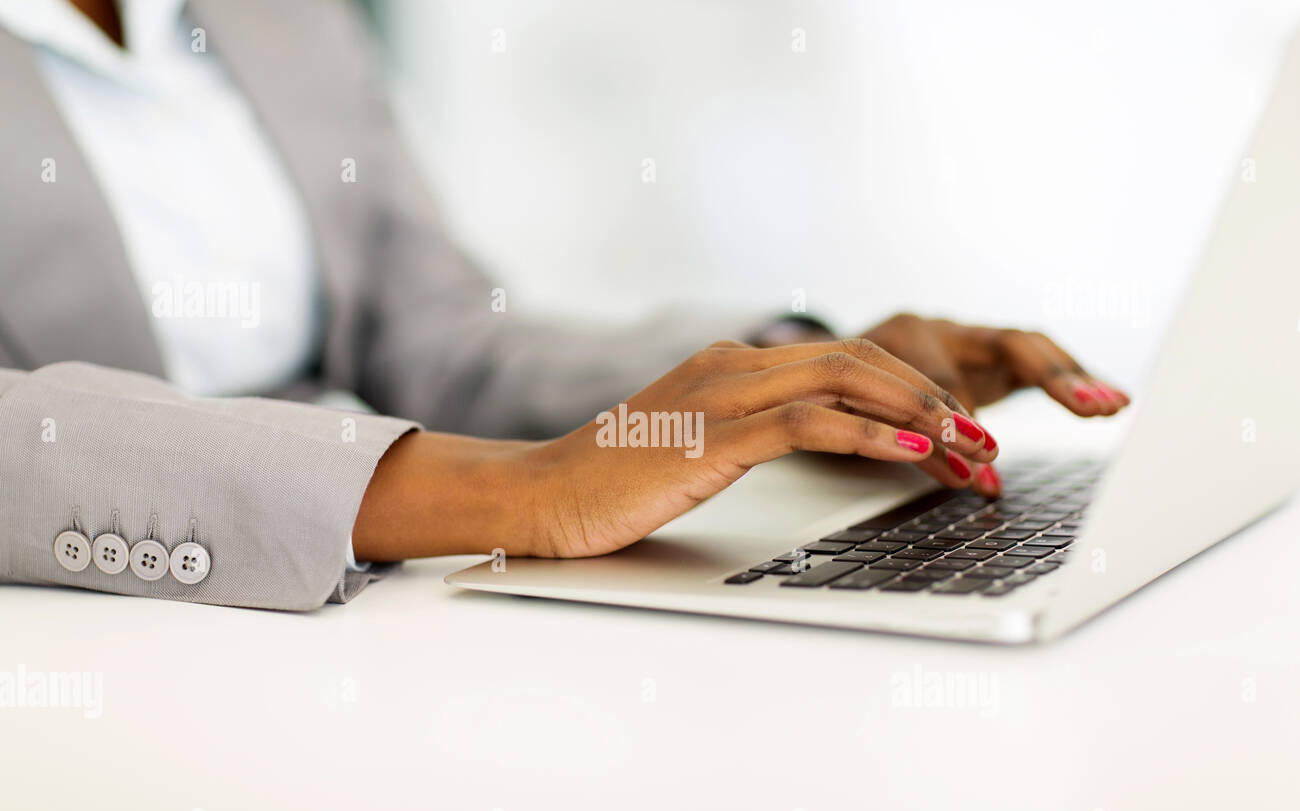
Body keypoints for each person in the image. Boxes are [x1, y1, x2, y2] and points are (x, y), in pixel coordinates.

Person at [0, 0, 1128, 610]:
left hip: (344, 621)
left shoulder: (282, 20)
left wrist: (779, 379)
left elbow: (441, 338)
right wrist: (515, 489)